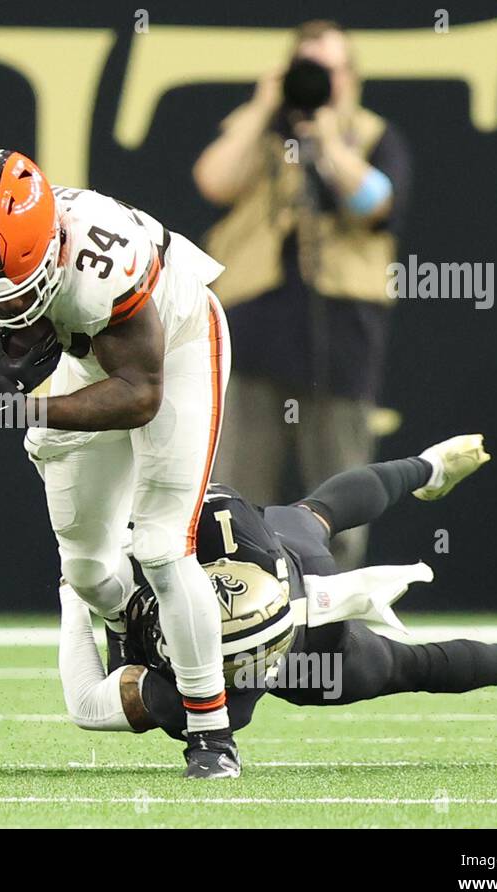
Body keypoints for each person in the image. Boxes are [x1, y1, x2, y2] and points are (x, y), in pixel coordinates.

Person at [0, 150, 239, 778]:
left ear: (54, 246)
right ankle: (134, 624)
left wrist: (22, 412)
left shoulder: (104, 257)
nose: (7, 315)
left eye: (19, 294)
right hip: (82, 355)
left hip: (176, 344)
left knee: (165, 548)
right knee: (86, 570)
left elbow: (141, 391)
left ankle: (210, 730)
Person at [58, 434, 497, 742]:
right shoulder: (233, 545)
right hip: (294, 604)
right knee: (312, 516)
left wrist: (79, 596)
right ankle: (428, 469)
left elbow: (89, 699)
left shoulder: (194, 699)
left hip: (298, 620)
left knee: (410, 666)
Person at [193, 20, 412, 567]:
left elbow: (376, 205)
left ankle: (338, 620)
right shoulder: (257, 129)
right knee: (236, 494)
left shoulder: (373, 136)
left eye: (328, 70)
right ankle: (240, 603)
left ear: (352, 78)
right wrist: (263, 108)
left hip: (340, 338)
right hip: (253, 334)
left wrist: (329, 141)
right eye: (305, 69)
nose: (316, 82)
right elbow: (213, 180)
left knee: (340, 491)